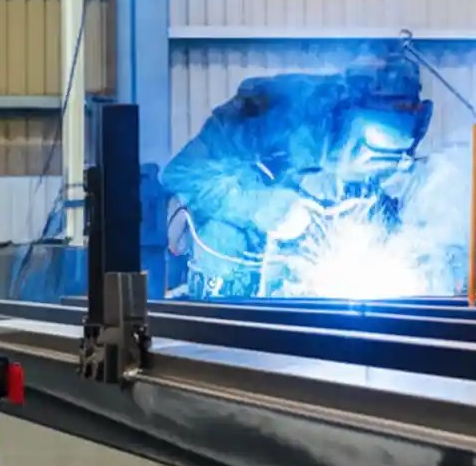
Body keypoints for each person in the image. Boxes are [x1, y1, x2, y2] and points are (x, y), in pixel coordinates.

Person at [162, 49, 433, 299]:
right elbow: (183, 174)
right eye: (370, 147)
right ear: (344, 113)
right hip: (241, 251)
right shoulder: (266, 111)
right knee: (225, 236)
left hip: (307, 275)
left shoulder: (397, 137)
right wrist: (260, 205)